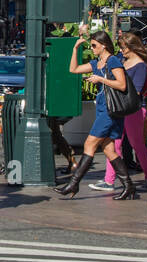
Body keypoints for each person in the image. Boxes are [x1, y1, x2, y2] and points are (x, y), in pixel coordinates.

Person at [56, 31, 139, 201]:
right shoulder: (97, 63)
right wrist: (75, 49)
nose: (92, 48)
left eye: (94, 45)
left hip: (109, 111)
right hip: (103, 109)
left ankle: (74, 183)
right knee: (108, 149)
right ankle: (128, 185)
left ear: (104, 45)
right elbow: (74, 69)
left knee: (89, 144)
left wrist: (100, 80)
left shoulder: (113, 61)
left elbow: (122, 85)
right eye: (91, 45)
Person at [97, 32, 147, 193]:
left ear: (131, 47)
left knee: (137, 144)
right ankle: (109, 180)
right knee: (114, 144)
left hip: (133, 109)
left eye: (124, 48)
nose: (121, 51)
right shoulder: (123, 61)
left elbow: (136, 90)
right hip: (120, 108)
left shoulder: (140, 65)